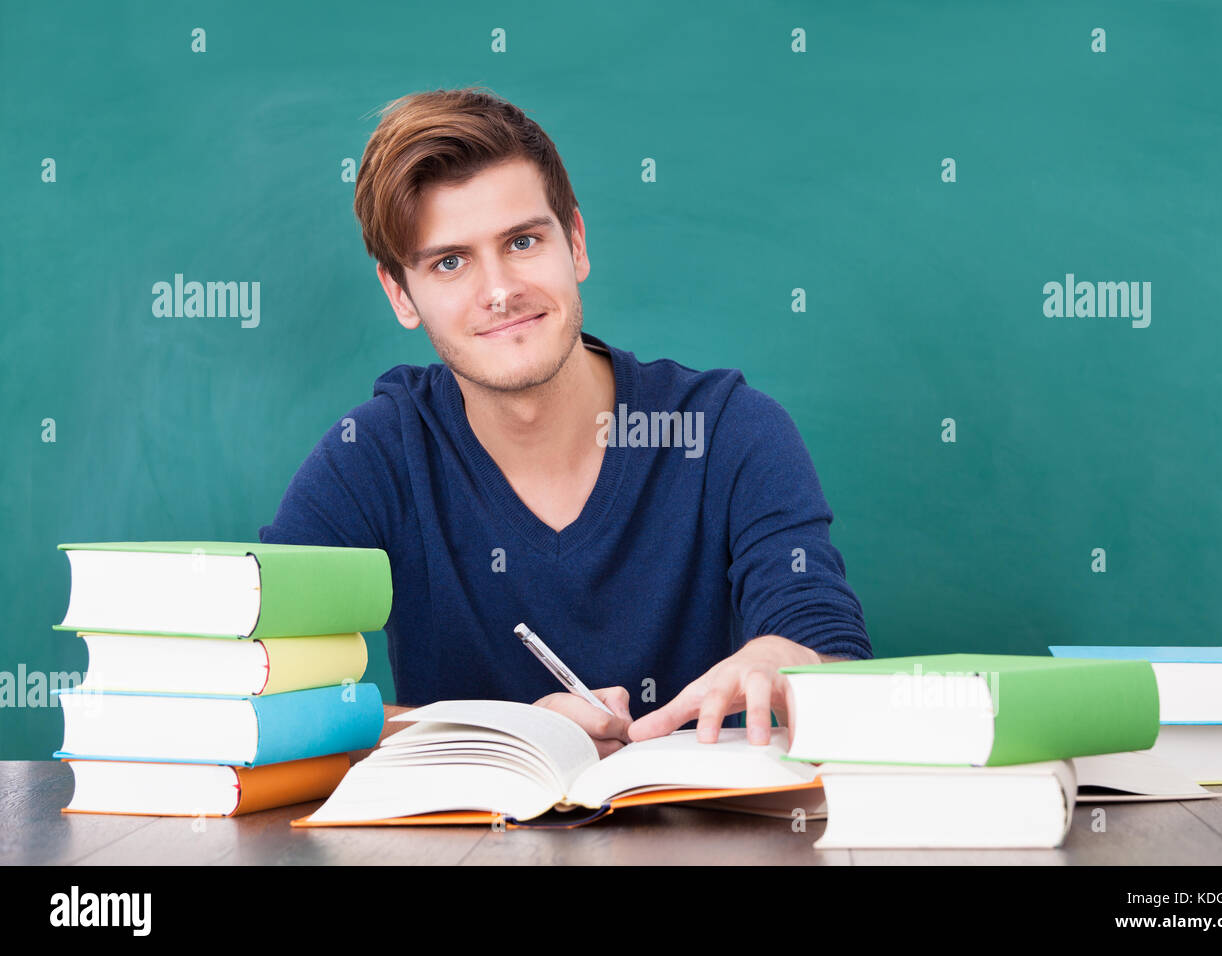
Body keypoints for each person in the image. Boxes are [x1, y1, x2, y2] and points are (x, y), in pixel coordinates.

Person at [258, 86, 871, 757]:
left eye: (522, 241)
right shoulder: (374, 455)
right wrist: (510, 733)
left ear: (575, 243)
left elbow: (829, 652)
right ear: (401, 294)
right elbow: (264, 683)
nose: (499, 290)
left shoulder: (729, 429)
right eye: (450, 262)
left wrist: (787, 658)